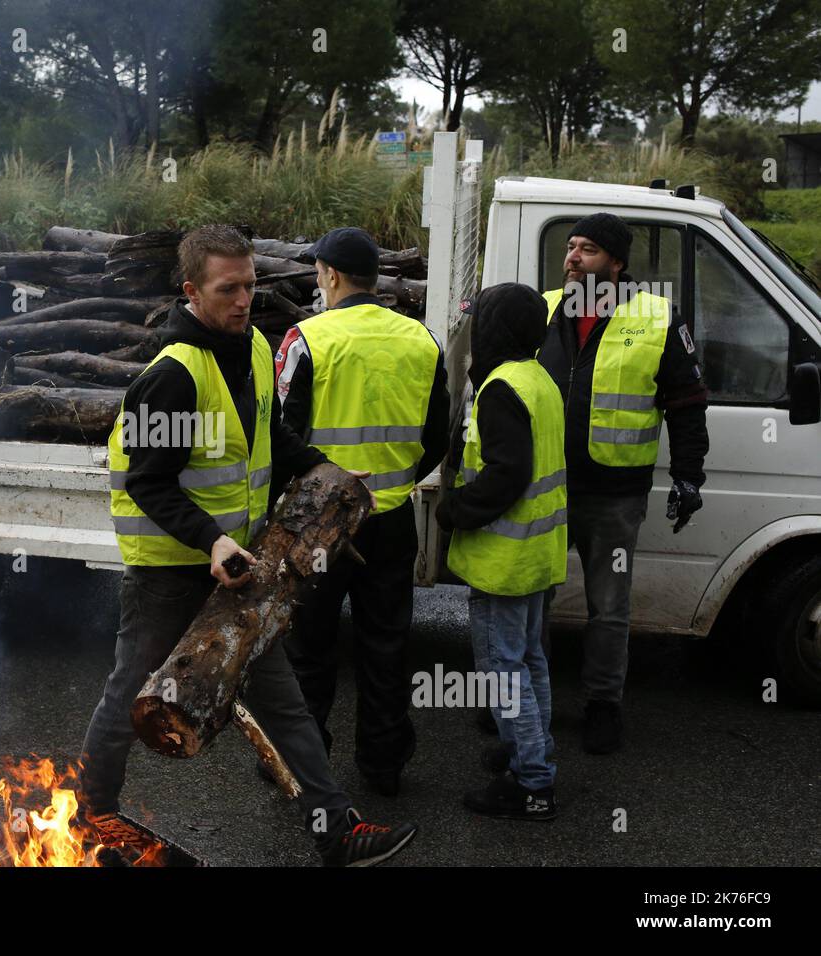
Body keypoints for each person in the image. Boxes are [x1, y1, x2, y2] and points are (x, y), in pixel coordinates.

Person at [79, 224, 418, 867]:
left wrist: (331, 474)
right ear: (191, 291)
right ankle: (93, 808)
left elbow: (272, 444)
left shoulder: (258, 348)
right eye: (227, 289)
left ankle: (337, 832)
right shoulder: (172, 375)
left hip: (240, 565)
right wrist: (211, 541)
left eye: (250, 285)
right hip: (169, 572)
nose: (242, 299)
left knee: (284, 701)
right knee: (130, 690)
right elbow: (148, 482)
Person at [274, 226, 448, 796]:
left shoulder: (306, 338)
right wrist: (394, 482)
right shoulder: (423, 341)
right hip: (392, 522)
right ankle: (382, 766)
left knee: (310, 648)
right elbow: (438, 437)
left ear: (329, 276)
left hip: (321, 526)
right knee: (386, 645)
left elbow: (281, 434)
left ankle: (303, 765)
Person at [537, 214, 709, 753]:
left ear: (615, 262)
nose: (573, 258)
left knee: (608, 608)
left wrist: (688, 475)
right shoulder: (542, 310)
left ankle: (602, 705)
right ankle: (523, 705)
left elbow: (686, 404)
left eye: (587, 249)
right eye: (570, 247)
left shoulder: (656, 318)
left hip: (614, 493)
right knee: (530, 601)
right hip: (545, 488)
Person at [438, 284, 567, 820]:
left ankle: (533, 782)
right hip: (538, 554)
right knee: (529, 659)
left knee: (501, 669)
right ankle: (529, 748)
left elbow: (507, 474)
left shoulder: (499, 389)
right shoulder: (539, 378)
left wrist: (454, 510)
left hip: (504, 561)